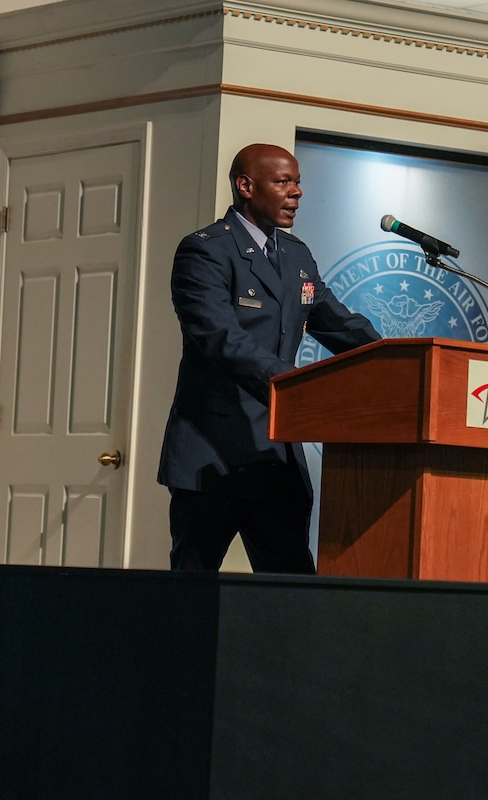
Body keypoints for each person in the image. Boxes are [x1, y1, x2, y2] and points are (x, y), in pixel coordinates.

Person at [157, 143, 381, 573]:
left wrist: (395, 361)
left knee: (292, 593)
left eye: (297, 182)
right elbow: (223, 339)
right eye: (284, 181)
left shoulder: (296, 255)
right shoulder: (204, 251)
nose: (297, 192)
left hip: (276, 459)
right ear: (246, 186)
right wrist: (298, 389)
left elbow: (338, 324)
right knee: (189, 596)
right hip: (212, 456)